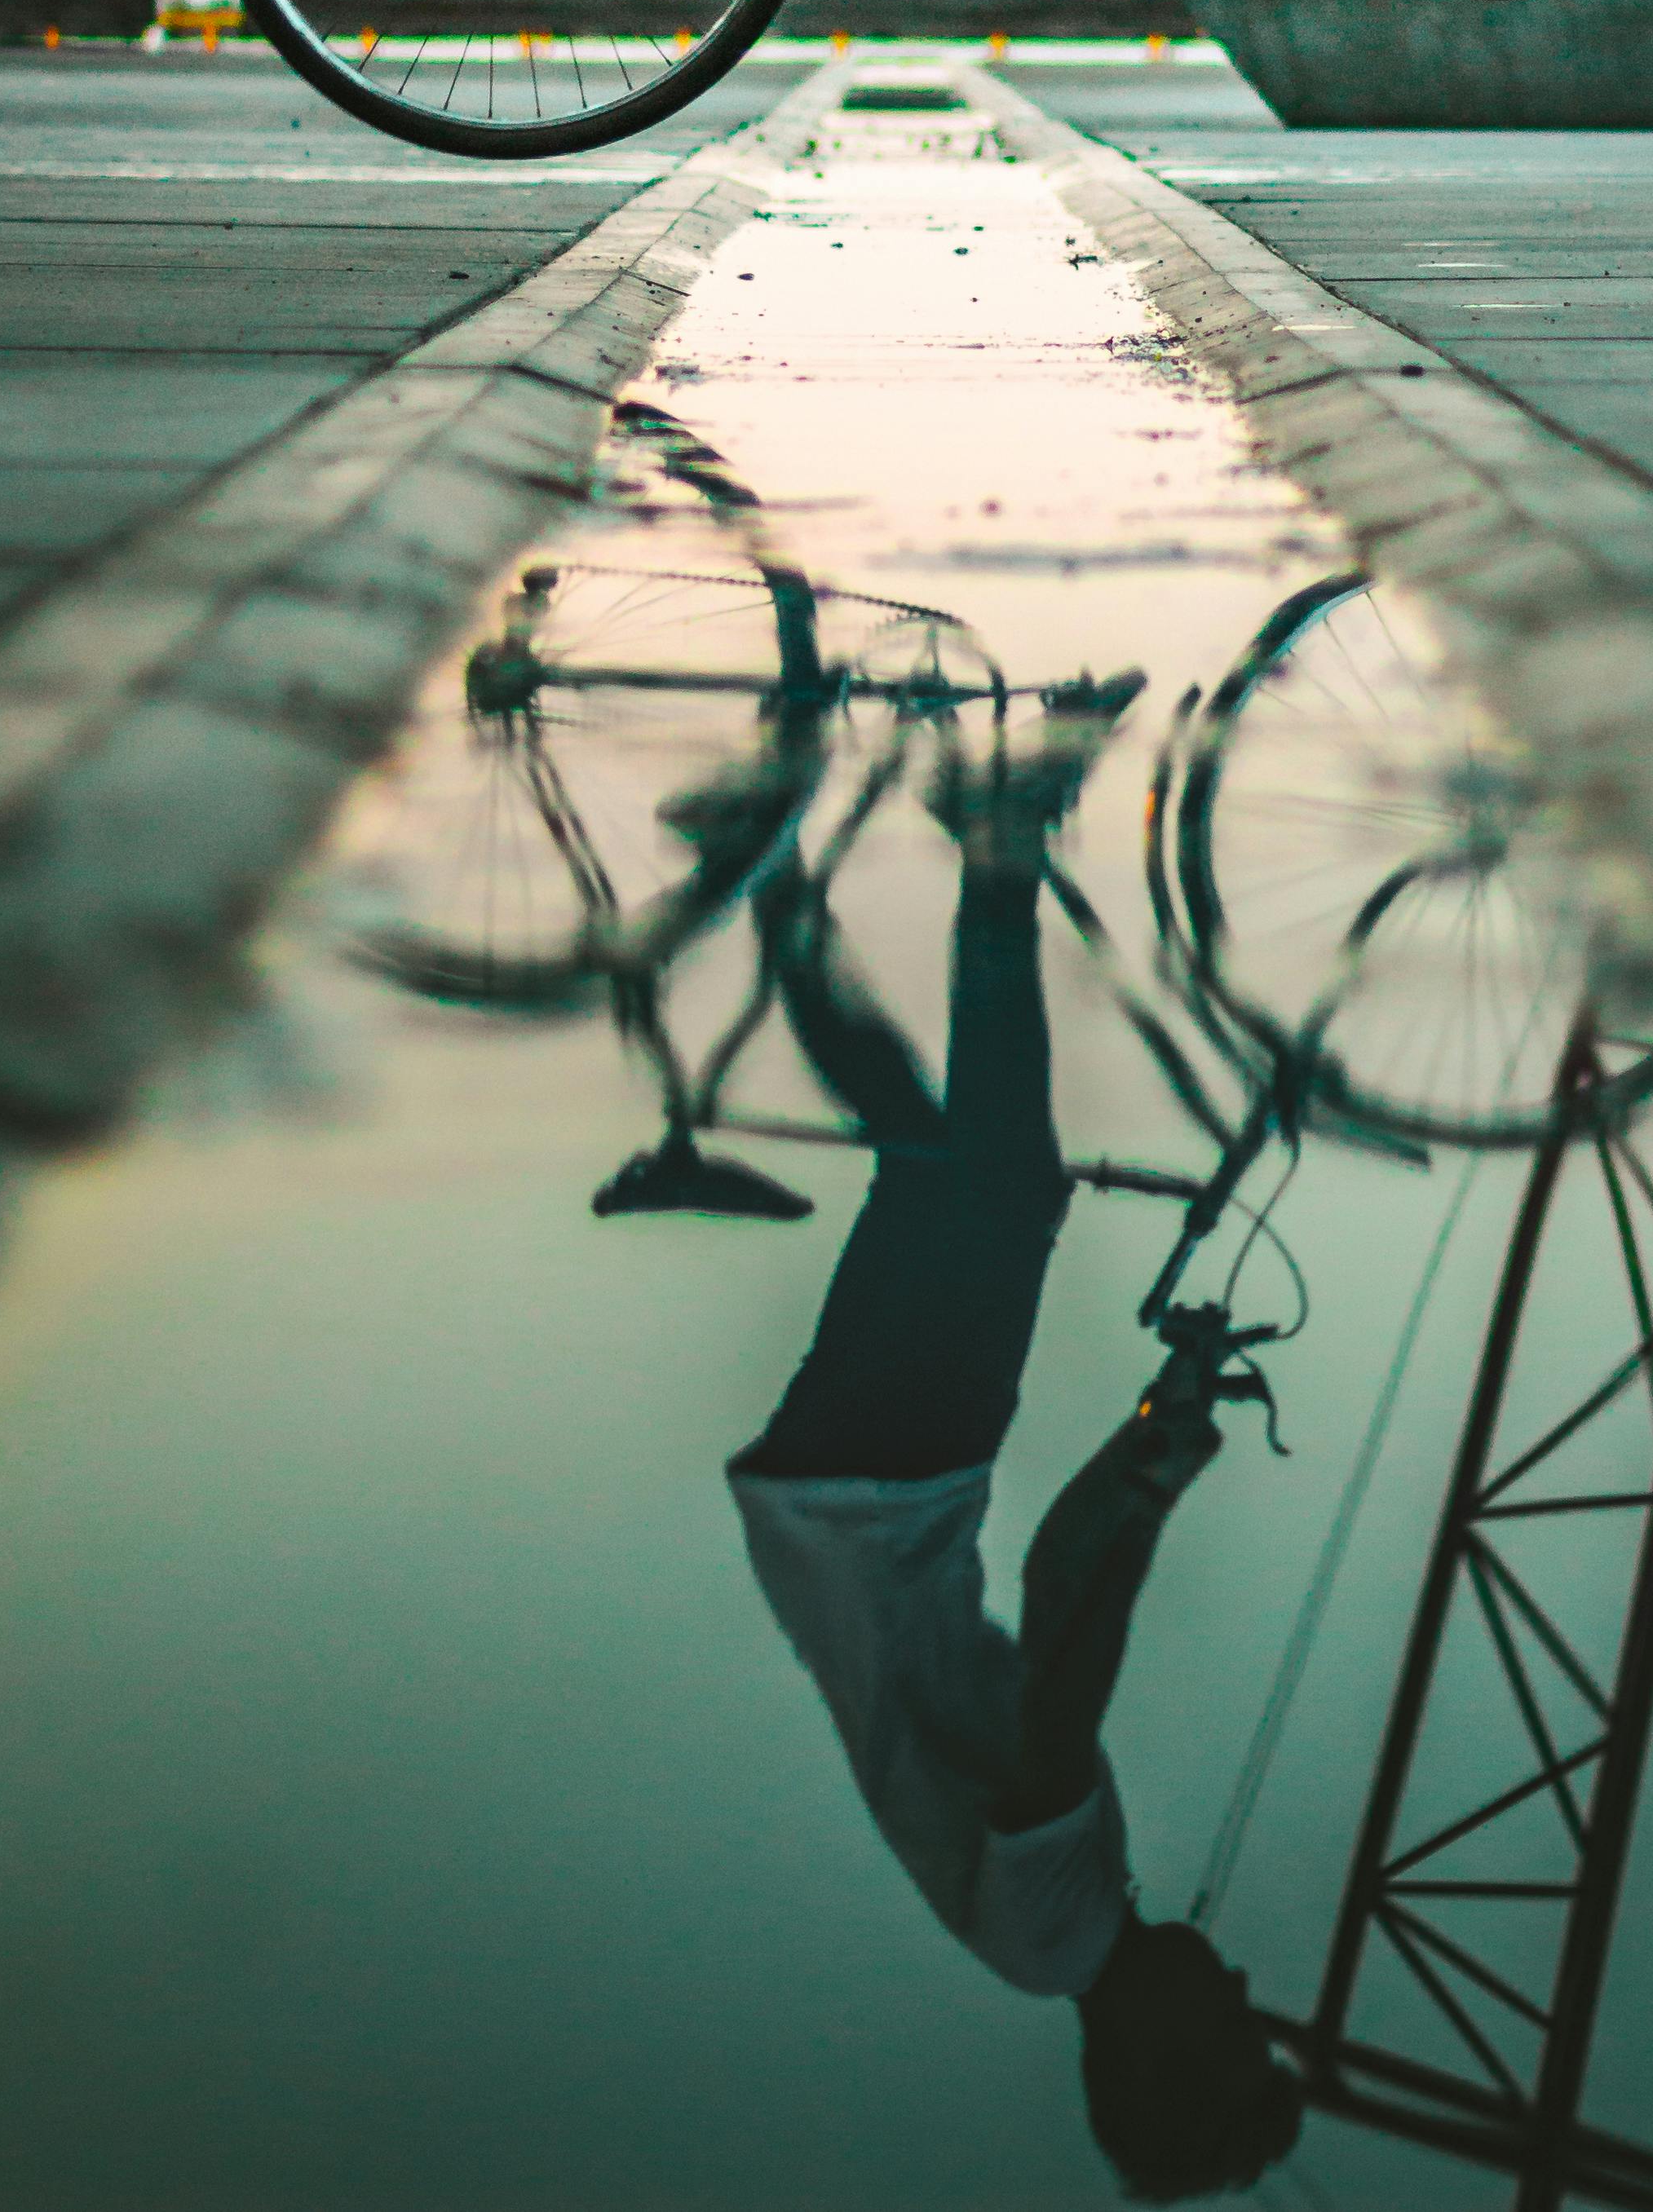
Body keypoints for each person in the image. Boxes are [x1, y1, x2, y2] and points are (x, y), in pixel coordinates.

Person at [725, 711, 1307, 2201]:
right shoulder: (1069, 1921)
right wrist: (1149, 1453)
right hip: (880, 1500)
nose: (1244, 1990)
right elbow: (1058, 1576)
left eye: (1234, 2036)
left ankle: (989, 845)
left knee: (995, 1178)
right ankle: (773, 875)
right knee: (944, 1157)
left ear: (1159, 2065)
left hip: (878, 1494)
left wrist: (1153, 1482)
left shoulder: (1053, 1940)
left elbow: (1066, 1661)